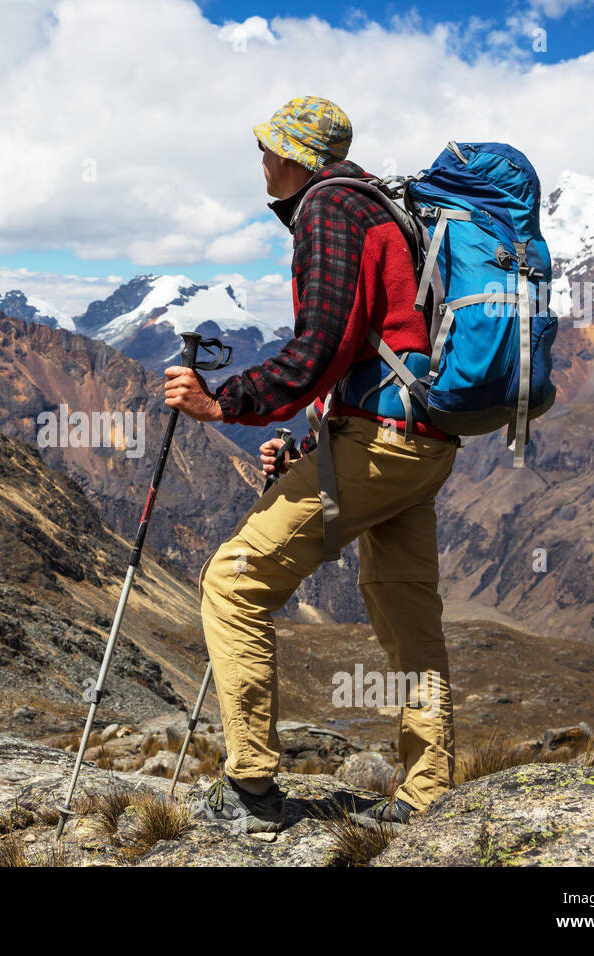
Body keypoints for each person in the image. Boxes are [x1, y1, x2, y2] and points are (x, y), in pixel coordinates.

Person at [164, 95, 461, 834]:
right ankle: (428, 790)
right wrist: (310, 446)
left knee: (234, 581)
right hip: (422, 442)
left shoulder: (331, 211)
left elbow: (320, 348)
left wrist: (223, 403)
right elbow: (381, 346)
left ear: (296, 156)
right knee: (405, 609)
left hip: (383, 443)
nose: (260, 161)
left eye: (267, 148)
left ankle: (254, 790)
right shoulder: (379, 207)